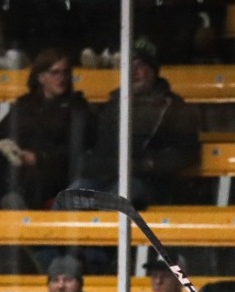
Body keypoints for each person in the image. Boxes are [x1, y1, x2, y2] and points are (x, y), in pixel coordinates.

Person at [72, 39, 199, 208]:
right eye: (128, 65)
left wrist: (148, 164)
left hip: (148, 183)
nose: (133, 72)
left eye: (140, 66)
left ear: (153, 70)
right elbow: (99, 150)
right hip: (107, 178)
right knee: (69, 200)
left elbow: (186, 153)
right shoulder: (114, 104)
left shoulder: (175, 107)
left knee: (115, 200)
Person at [0, 49, 96, 209]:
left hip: (54, 170)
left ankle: (18, 206)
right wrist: (7, 148)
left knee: (33, 176)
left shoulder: (78, 108)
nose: (61, 78)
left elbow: (78, 149)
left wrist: (39, 158)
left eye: (65, 73)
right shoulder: (24, 106)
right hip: (17, 164)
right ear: (41, 77)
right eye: (55, 73)